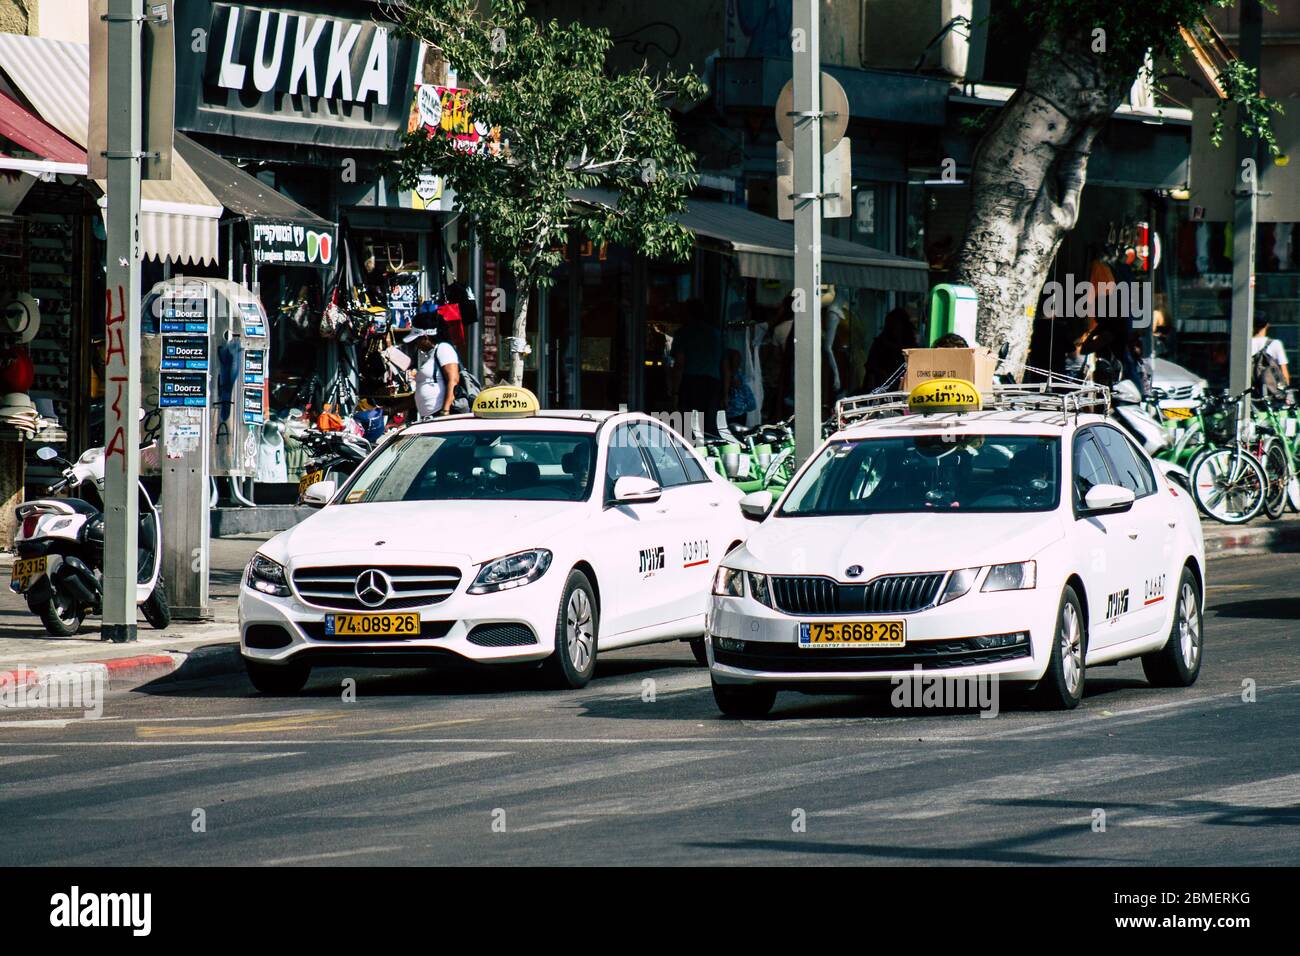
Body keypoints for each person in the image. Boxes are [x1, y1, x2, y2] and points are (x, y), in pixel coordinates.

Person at [670, 299, 723, 431]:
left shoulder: (684, 333)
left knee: (688, 427)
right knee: (709, 425)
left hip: (691, 384)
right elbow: (725, 365)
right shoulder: (716, 334)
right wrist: (725, 394)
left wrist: (675, 392)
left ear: (688, 313)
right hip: (713, 384)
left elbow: (679, 364)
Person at [404, 324, 461, 418]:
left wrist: (445, 411)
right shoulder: (427, 355)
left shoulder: (443, 348)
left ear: (425, 338)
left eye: (417, 341)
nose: (416, 345)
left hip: (440, 414)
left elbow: (453, 380)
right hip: (429, 415)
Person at [861, 308, 916, 392]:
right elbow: (871, 369)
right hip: (882, 388)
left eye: (898, 324)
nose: (895, 328)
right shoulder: (879, 344)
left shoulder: (910, 345)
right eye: (892, 324)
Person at [1252, 314, 1291, 387]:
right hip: (1271, 390)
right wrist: (1286, 391)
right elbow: (1283, 370)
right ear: (1267, 325)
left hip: (1251, 389)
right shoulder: (1275, 344)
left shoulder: (1246, 344)